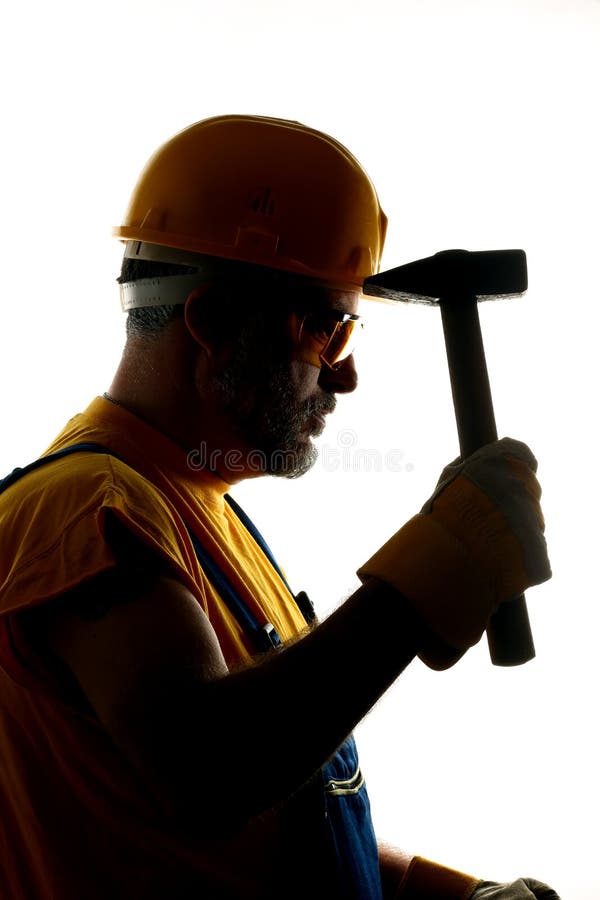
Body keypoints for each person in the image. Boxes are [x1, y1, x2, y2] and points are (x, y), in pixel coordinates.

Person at [0, 115, 559, 899]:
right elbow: (210, 772)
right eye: (326, 332)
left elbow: (288, 825)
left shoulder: (198, 510)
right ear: (211, 324)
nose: (348, 375)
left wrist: (455, 895)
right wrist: (433, 572)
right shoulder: (83, 510)